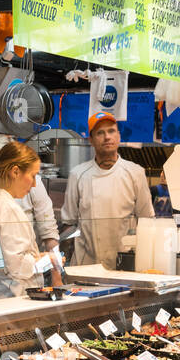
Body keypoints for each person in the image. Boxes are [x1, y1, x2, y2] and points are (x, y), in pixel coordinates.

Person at [60, 113, 153, 267]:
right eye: (100, 133)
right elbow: (69, 222)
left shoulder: (135, 172)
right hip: (86, 266)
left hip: (125, 265)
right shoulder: (78, 174)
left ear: (119, 136)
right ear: (91, 140)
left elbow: (146, 220)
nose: (107, 137)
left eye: (111, 131)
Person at [0, 141, 62, 298]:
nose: (35, 183)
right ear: (15, 172)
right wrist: (48, 260)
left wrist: (39, 257)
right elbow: (18, 268)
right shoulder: (7, 210)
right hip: (15, 299)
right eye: (33, 176)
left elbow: (2, 262)